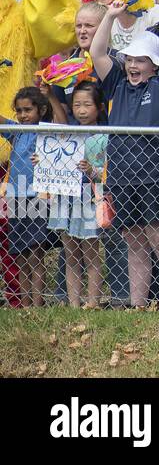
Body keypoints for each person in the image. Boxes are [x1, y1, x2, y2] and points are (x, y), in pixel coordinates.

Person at [88, 3, 159, 309]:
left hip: (156, 174)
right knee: (134, 243)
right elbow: (97, 52)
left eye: (141, 60)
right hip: (120, 174)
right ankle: (137, 306)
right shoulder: (116, 84)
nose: (133, 65)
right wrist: (109, 15)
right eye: (130, 59)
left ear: (153, 65)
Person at [48, 81, 108, 308]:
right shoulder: (68, 132)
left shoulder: (104, 135)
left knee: (91, 253)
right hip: (66, 196)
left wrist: (92, 170)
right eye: (77, 105)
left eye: (87, 105)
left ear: (99, 107)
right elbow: (53, 157)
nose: (81, 110)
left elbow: (108, 170)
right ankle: (74, 304)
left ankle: (92, 302)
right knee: (70, 252)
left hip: (90, 197)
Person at [2, 87, 56, 305]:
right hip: (15, 197)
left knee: (35, 253)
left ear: (41, 110)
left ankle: (37, 302)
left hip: (36, 197)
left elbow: (62, 121)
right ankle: (25, 304)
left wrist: (50, 94)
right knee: (20, 254)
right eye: (19, 111)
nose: (23, 115)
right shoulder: (16, 131)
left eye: (28, 110)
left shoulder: (45, 132)